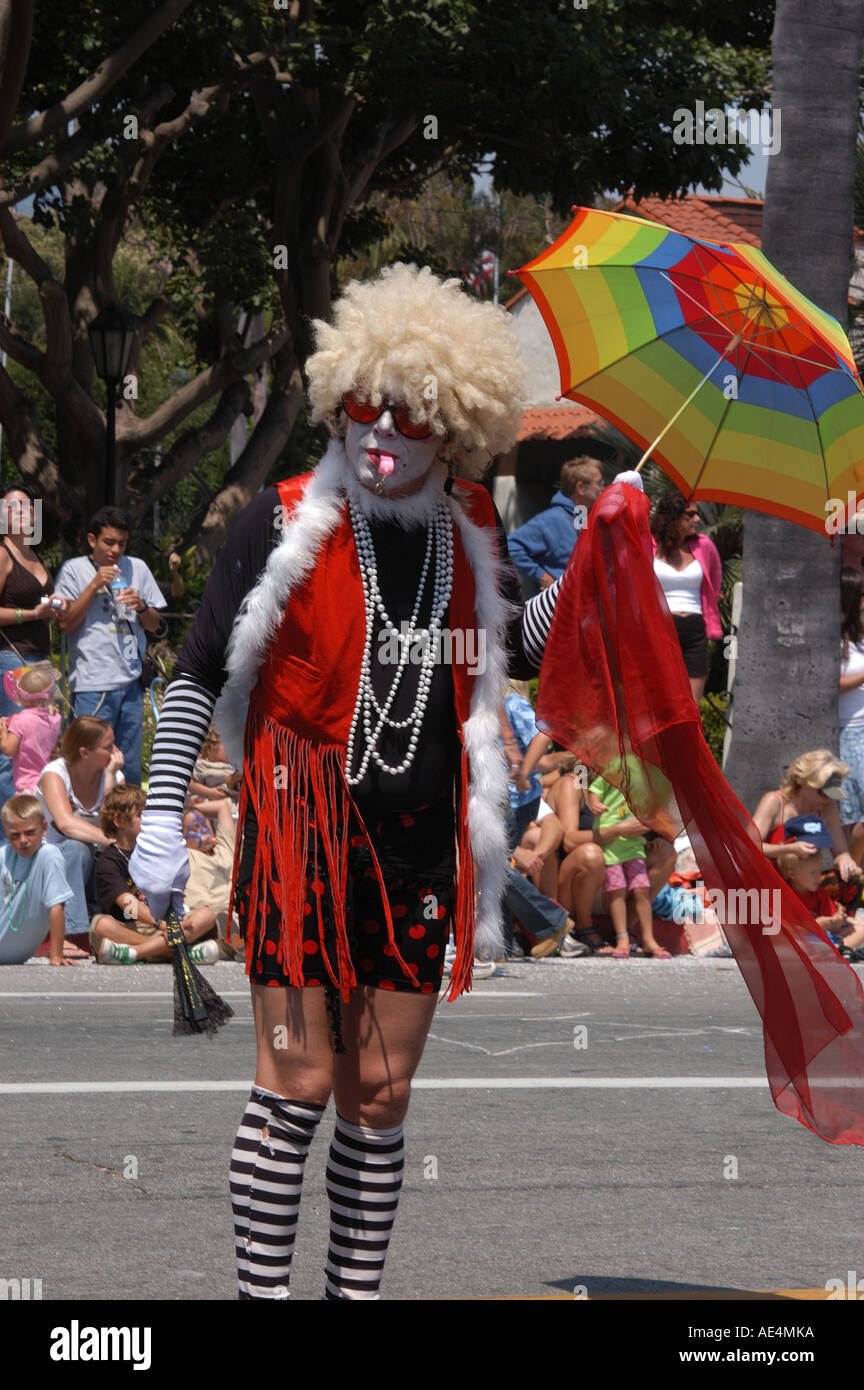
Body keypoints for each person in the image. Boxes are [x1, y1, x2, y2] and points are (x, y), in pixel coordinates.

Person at [129, 262, 567, 1301]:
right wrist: (158, 815)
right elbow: (199, 670)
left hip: (419, 841)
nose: (378, 433)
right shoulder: (281, 522)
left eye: (407, 415)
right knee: (297, 1082)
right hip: (297, 836)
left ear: (455, 427)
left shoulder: (470, 524)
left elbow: (526, 641)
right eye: (360, 409)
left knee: (378, 1091)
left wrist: (600, 560)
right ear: (333, 397)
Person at [55, 506, 166, 786]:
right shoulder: (74, 570)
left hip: (130, 682)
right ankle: (83, 819)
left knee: (126, 763)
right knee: (87, 761)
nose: (116, 549)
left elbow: (155, 624)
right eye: (109, 542)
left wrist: (140, 606)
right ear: (92, 540)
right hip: (93, 683)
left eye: (122, 543)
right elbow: (65, 624)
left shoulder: (137, 567)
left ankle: (126, 822)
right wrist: (93, 585)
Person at [0, 483, 69, 819]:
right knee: (10, 752)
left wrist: (55, 607)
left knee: (40, 747)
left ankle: (32, 827)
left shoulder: (33, 553)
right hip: (12, 661)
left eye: (26, 506)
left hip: (40, 663)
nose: (20, 512)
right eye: (10, 507)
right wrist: (33, 614)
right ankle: (6, 837)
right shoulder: (2, 552)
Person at [90, 784, 218, 965]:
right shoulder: (109, 861)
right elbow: (128, 903)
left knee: (207, 915)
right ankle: (180, 953)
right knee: (100, 925)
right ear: (119, 821)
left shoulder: (158, 852)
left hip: (165, 928)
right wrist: (160, 923)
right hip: (133, 927)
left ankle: (136, 953)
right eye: (142, 815)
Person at [36, 716, 125, 946]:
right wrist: (112, 842)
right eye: (108, 747)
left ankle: (129, 923)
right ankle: (73, 932)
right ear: (85, 752)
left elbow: (115, 824)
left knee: (117, 855)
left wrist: (108, 780)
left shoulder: (114, 774)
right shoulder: (54, 773)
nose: (116, 752)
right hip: (52, 861)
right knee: (78, 847)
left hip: (94, 861)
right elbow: (66, 823)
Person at [650, 490, 722, 703]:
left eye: (696, 514)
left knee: (691, 707)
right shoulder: (650, 546)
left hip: (694, 628)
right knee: (659, 703)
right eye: (690, 515)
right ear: (673, 517)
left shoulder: (704, 545)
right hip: (660, 627)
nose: (697, 519)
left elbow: (714, 580)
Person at [589, 773, 671, 958]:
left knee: (642, 890)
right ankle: (622, 938)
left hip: (634, 844)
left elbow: (653, 805)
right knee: (617, 891)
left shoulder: (643, 776)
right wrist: (594, 803)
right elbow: (594, 790)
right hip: (612, 844)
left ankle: (649, 939)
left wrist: (652, 830)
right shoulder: (610, 771)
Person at [752, 749, 858, 881]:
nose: (828, 800)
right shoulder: (775, 801)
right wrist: (789, 849)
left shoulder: (828, 808)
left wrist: (844, 859)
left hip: (804, 886)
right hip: (768, 881)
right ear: (804, 782)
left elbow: (841, 851)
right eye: (824, 793)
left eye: (833, 795)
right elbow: (749, 845)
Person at [507, 457, 605, 594]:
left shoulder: (584, 516)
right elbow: (510, 547)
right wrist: (542, 576)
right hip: (558, 610)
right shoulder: (549, 520)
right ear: (581, 488)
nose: (603, 488)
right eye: (599, 483)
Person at [0, 794, 74, 965]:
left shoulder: (49, 855)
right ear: (6, 834)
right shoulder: (3, 855)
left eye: (30, 833)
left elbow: (57, 906)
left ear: (44, 827)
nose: (23, 841)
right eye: (14, 836)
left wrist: (56, 955)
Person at [0, 663, 62, 793]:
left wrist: (3, 731)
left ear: (24, 698)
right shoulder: (56, 718)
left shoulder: (20, 720)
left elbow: (8, 749)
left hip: (26, 786)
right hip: (47, 782)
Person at [838, 566, 864, 862]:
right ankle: (851, 876)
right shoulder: (834, 638)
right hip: (848, 735)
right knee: (852, 816)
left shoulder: (858, 634)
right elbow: (831, 685)